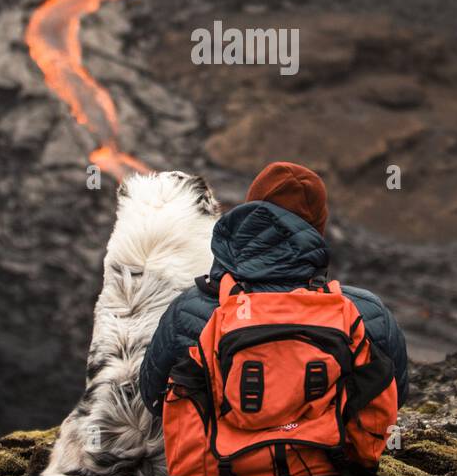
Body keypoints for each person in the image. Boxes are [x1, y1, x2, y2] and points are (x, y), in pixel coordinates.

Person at [139, 160, 408, 420]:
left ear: (248, 217)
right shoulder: (366, 313)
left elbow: (154, 400)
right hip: (335, 465)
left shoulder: (189, 311)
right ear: (318, 230)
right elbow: (393, 399)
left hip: (219, 464)